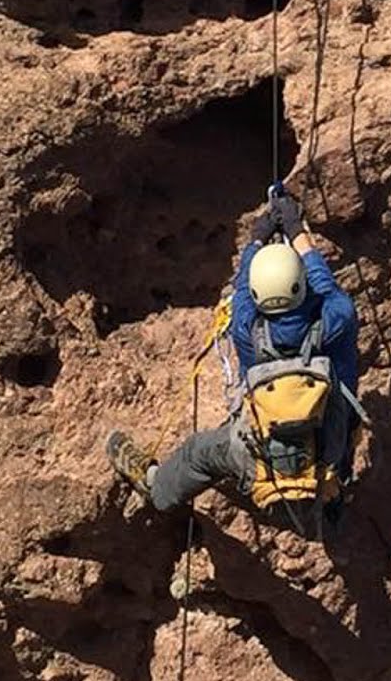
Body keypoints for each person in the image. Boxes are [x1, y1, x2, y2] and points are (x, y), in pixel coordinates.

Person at [106, 191, 360, 524]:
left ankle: (156, 488)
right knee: (340, 422)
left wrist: (257, 239)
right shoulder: (337, 318)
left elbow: (242, 287)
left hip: (257, 459)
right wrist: (297, 230)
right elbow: (324, 283)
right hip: (328, 447)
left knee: (199, 452)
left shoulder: (245, 327)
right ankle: (329, 494)